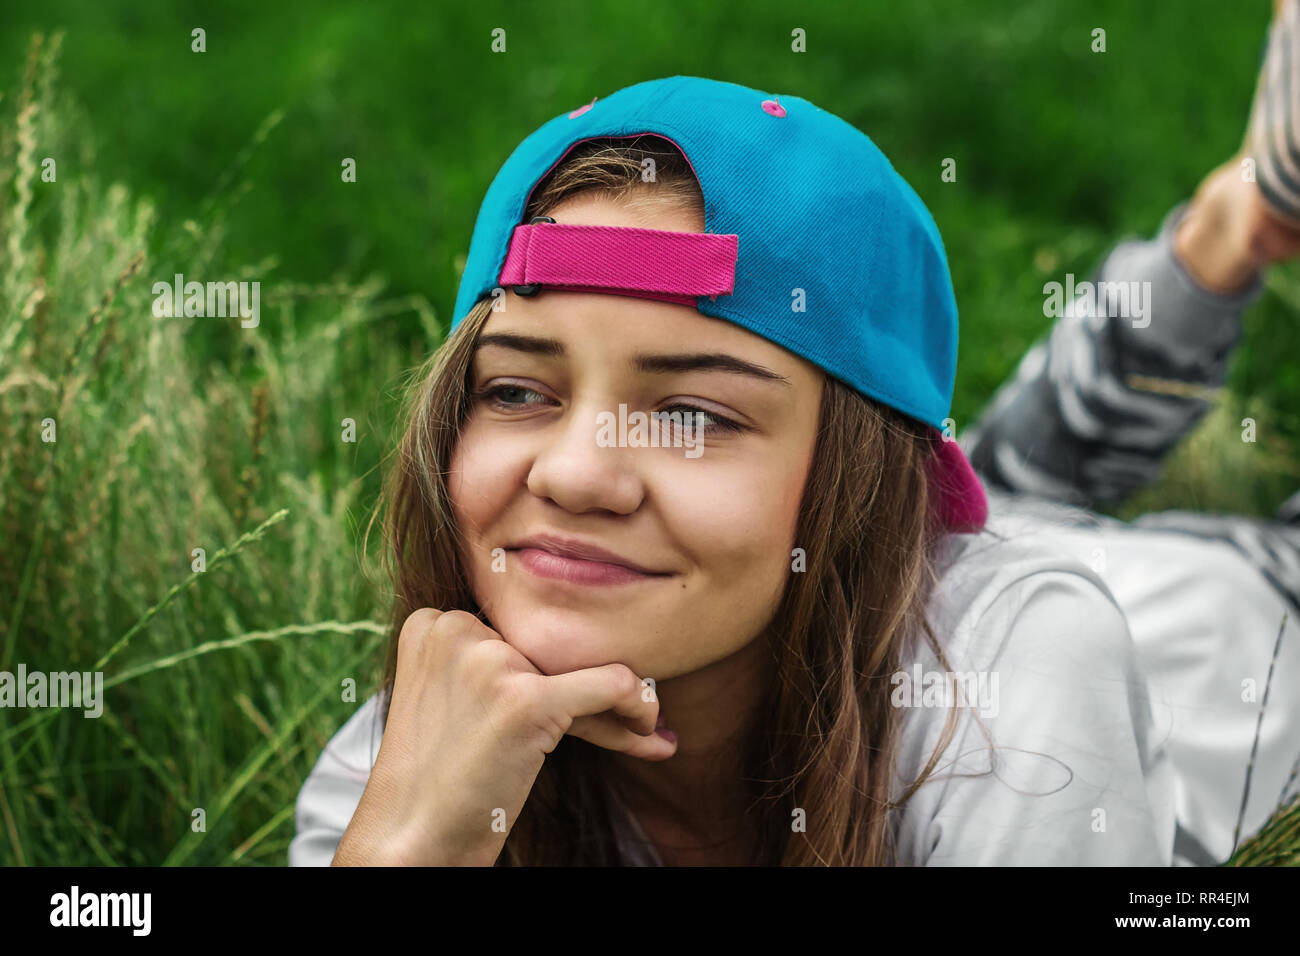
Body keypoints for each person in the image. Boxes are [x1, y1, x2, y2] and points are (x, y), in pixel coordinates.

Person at [288, 46, 1300, 866]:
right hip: (880, 562)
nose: (573, 473)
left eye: (690, 412)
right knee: (1020, 469)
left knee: (1025, 484)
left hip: (1235, 612)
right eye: (515, 390)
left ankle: (1238, 219)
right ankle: (1233, 226)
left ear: (857, 483)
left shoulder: (1020, 683)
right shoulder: (418, 755)